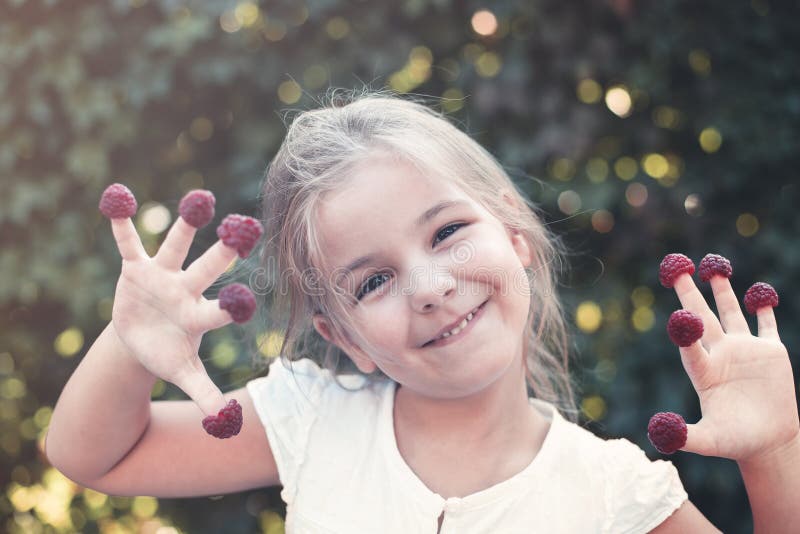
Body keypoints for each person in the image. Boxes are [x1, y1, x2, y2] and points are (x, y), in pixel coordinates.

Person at [45, 87, 799, 533]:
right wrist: (129, 343)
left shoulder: (616, 492)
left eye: (446, 233)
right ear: (345, 338)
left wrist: (775, 453)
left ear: (514, 233)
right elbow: (92, 456)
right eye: (373, 281)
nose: (430, 286)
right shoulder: (311, 422)